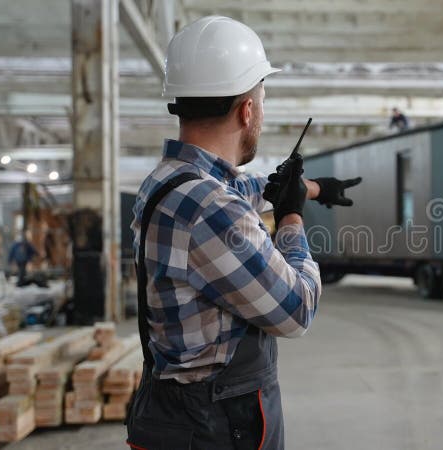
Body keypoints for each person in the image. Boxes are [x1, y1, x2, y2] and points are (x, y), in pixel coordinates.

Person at [126, 16, 361, 450]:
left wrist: (311, 189)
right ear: (247, 110)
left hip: (175, 413)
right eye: (261, 99)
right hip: (214, 425)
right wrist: (292, 216)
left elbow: (241, 189)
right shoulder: (210, 209)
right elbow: (296, 309)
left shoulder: (168, 181)